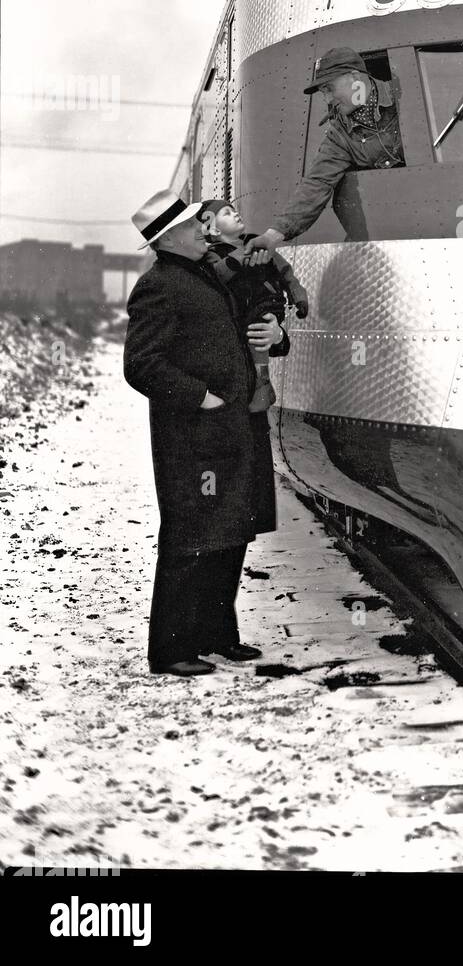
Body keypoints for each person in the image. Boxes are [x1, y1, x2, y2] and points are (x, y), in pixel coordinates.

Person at [123, 189, 288, 677]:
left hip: (233, 429)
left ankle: (217, 636)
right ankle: (172, 651)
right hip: (193, 438)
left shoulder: (208, 274)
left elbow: (253, 323)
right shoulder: (160, 285)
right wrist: (201, 397)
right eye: (197, 226)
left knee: (230, 532)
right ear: (172, 237)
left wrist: (276, 336)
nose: (206, 230)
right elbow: (141, 365)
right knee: (190, 539)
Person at [246, 46, 403, 254]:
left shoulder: (404, 95)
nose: (328, 100)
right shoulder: (339, 134)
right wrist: (273, 235)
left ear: (355, 78)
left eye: (329, 88)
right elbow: (317, 183)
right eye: (323, 93)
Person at [199, 198, 308, 411]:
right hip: (244, 311)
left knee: (259, 332)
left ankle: (261, 385)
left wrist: (299, 297)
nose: (235, 214)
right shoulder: (212, 254)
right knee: (255, 335)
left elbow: (287, 274)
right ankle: (261, 385)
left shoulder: (260, 244)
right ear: (213, 229)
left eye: (234, 209)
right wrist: (241, 255)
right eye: (226, 213)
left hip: (268, 305)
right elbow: (216, 275)